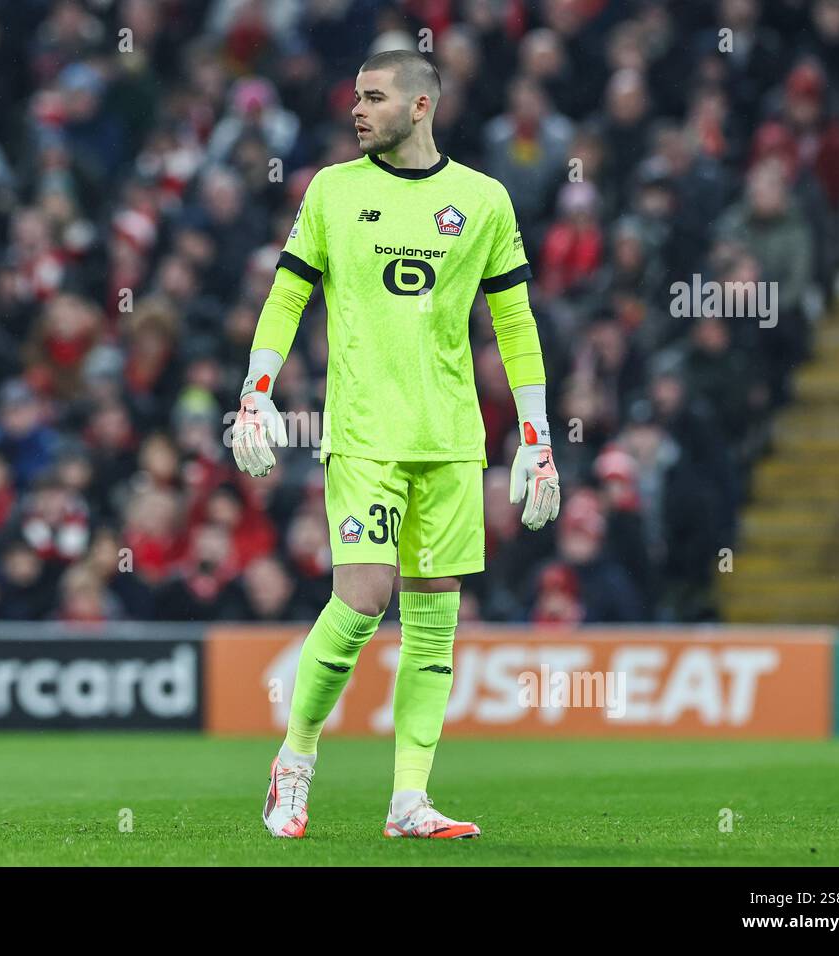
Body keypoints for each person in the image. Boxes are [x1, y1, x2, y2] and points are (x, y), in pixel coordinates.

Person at [230, 50, 560, 840]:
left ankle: (409, 799)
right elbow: (287, 294)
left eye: (373, 98)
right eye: (355, 97)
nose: (357, 110)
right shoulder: (334, 192)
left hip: (451, 440)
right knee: (363, 599)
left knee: (436, 621)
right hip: (366, 434)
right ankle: (296, 759)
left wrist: (538, 437)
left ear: (420, 106)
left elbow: (514, 323)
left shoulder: (482, 200)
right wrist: (256, 389)